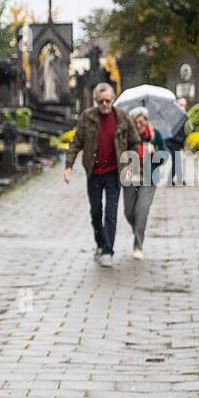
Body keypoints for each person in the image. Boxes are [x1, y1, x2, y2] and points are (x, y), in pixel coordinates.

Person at [63, 82, 141, 267]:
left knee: (111, 213)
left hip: (115, 172)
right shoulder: (87, 117)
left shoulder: (122, 117)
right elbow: (76, 142)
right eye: (101, 101)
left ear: (113, 99)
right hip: (94, 173)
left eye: (108, 100)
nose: (105, 104)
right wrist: (68, 166)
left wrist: (130, 166)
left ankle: (108, 251)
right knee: (96, 212)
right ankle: (100, 243)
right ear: (96, 101)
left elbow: (135, 143)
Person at [123, 106, 166, 259]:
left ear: (147, 121)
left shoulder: (155, 135)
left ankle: (138, 245)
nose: (140, 126)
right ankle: (139, 229)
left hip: (149, 180)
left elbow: (165, 156)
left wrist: (156, 153)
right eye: (137, 123)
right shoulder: (127, 136)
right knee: (129, 212)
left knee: (142, 210)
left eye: (142, 122)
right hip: (130, 179)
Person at [170, 96, 189, 186]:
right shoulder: (175, 115)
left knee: (177, 160)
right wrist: (180, 139)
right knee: (175, 160)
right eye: (181, 105)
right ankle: (172, 179)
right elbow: (174, 131)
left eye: (184, 105)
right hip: (173, 142)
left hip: (177, 142)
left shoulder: (182, 115)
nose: (183, 107)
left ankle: (177, 179)